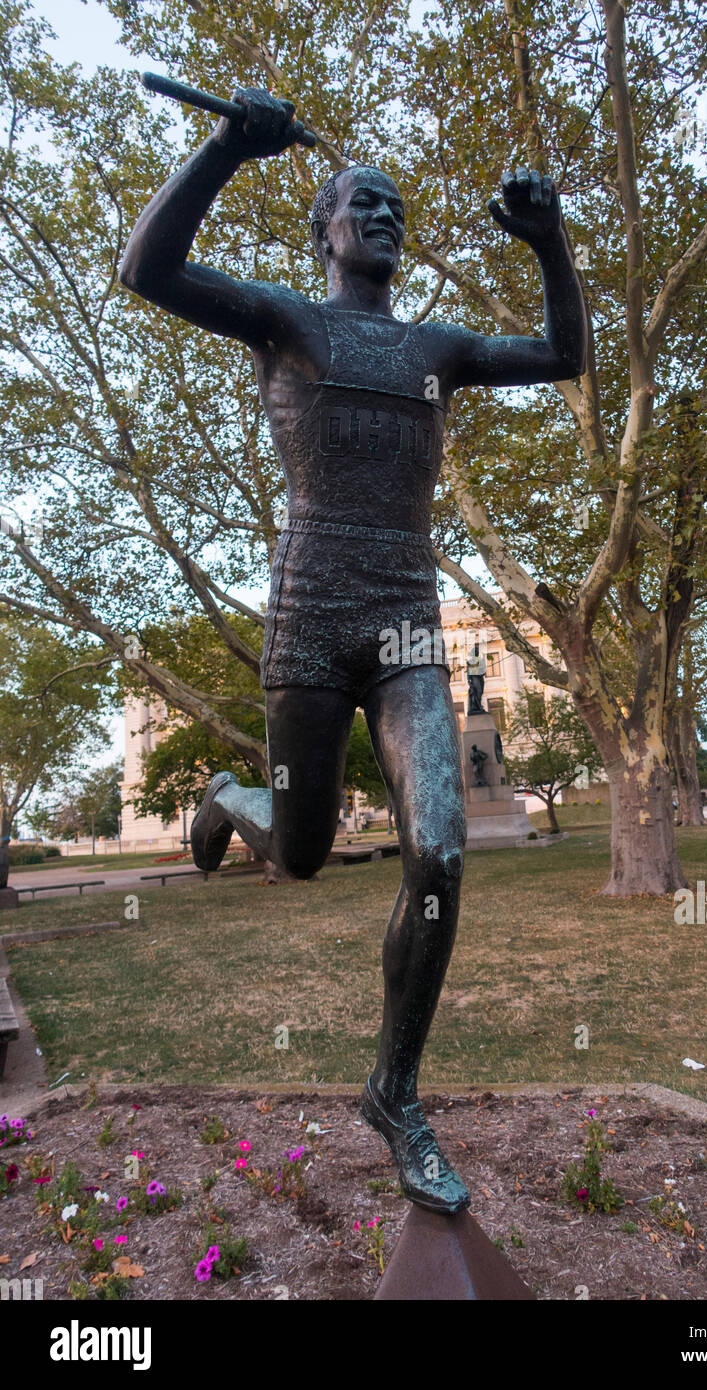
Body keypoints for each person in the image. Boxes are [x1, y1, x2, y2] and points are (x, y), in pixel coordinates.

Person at [120, 88, 587, 1214]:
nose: (380, 216)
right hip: (307, 610)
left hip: (404, 620)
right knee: (300, 852)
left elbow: (564, 354)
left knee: (441, 856)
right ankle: (234, 796)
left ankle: (394, 1090)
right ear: (324, 229)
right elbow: (147, 267)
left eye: (393, 208)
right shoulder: (282, 318)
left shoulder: (438, 345)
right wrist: (227, 144)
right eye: (358, 204)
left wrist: (548, 242)